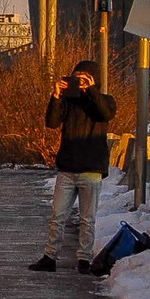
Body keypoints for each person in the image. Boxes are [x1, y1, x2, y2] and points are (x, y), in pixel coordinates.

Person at [30, 59, 115, 272]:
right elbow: (51, 123)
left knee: (87, 218)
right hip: (67, 168)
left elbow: (104, 114)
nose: (80, 82)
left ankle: (84, 259)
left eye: (84, 78)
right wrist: (56, 96)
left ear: (95, 79)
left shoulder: (105, 100)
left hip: (91, 169)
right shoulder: (69, 101)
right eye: (76, 77)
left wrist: (91, 90)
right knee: (57, 216)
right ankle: (50, 257)